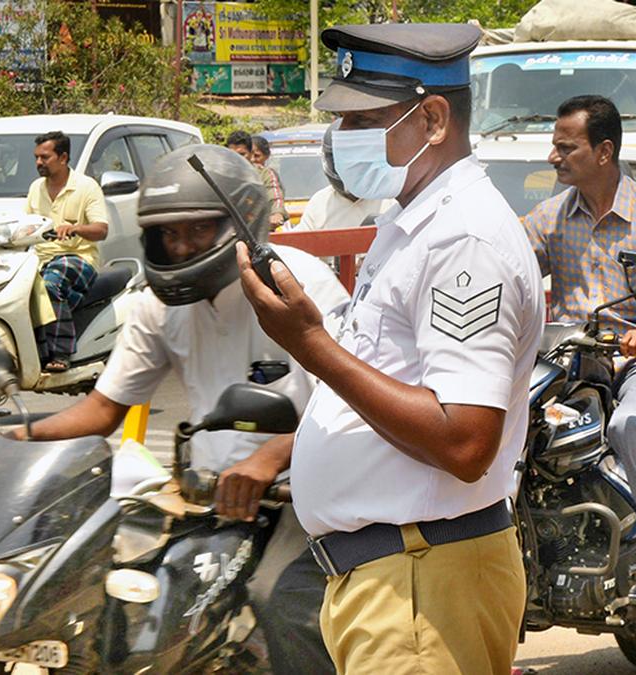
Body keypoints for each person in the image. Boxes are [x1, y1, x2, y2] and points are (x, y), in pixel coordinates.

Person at [235, 24, 544, 674]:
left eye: (362, 119)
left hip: (420, 585)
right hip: (395, 578)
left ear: (432, 118)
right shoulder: (411, 223)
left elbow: (464, 440)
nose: (341, 138)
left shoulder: (464, 241)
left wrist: (312, 343)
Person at [0, 144, 346, 675]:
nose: (181, 247)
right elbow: (104, 409)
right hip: (207, 500)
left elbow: (347, 410)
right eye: (168, 234)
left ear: (243, 219)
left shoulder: (300, 284)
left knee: (281, 602)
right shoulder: (157, 305)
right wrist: (14, 439)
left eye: (197, 230)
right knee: (128, 603)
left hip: (302, 498)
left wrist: (268, 459)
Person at [523, 95, 636, 607]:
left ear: (603, 151)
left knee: (629, 426)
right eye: (554, 147)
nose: (554, 157)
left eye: (566, 147)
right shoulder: (551, 216)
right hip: (574, 362)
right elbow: (511, 262)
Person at [23, 130, 109, 373]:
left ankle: (61, 352)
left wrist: (76, 228)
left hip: (79, 258)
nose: (39, 162)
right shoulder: (36, 188)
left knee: (51, 284)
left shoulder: (86, 187)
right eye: (36, 157)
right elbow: (25, 223)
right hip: (40, 258)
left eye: (45, 157)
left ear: (63, 158)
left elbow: (101, 230)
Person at [284, 119, 394, 232]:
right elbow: (301, 242)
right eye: (341, 160)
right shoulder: (320, 204)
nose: (350, 169)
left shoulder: (390, 198)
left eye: (356, 159)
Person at [227, 130, 287, 228]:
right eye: (232, 155)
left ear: (251, 154)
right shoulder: (221, 174)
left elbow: (275, 197)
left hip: (257, 230)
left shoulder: (264, 174)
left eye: (242, 154)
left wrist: (277, 214)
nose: (237, 159)